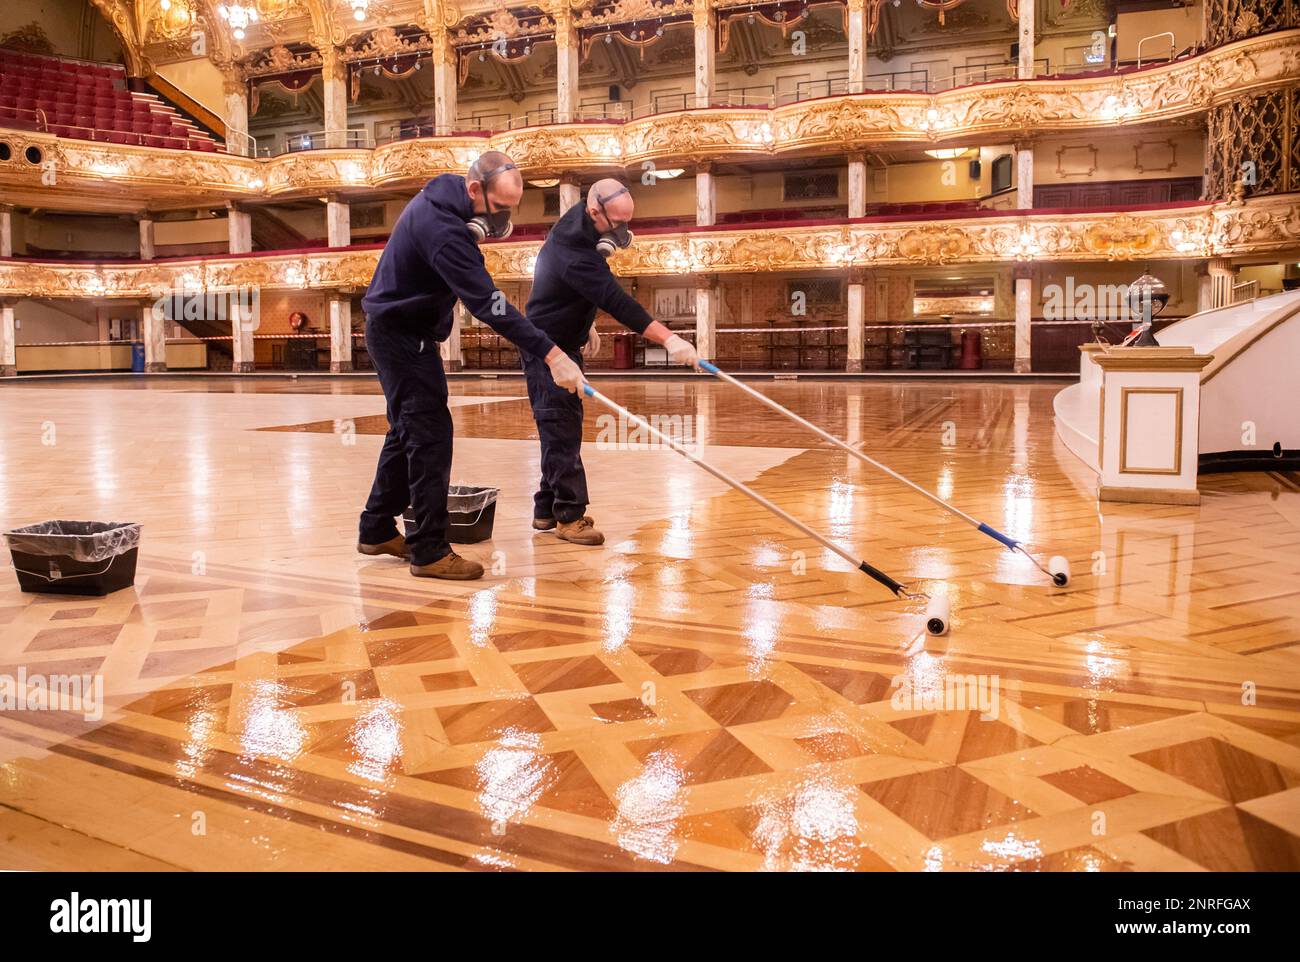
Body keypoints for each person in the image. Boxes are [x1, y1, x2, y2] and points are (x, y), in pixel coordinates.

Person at [357, 151, 583, 580]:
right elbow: (490, 304)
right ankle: (428, 551)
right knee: (429, 438)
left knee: (407, 432)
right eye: (497, 208)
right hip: (401, 339)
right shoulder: (444, 231)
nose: (501, 219)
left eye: (509, 209)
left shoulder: (445, 201)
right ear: (475, 190)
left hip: (407, 335)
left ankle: (376, 528)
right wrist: (552, 354)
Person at [521, 179, 698, 546]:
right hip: (547, 346)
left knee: (559, 424)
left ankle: (545, 508)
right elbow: (618, 302)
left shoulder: (581, 224)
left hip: (565, 337)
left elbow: (580, 292)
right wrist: (670, 339)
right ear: (594, 211)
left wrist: (587, 324)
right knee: (561, 425)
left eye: (626, 224)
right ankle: (569, 517)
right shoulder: (574, 250)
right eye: (616, 225)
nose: (622, 234)